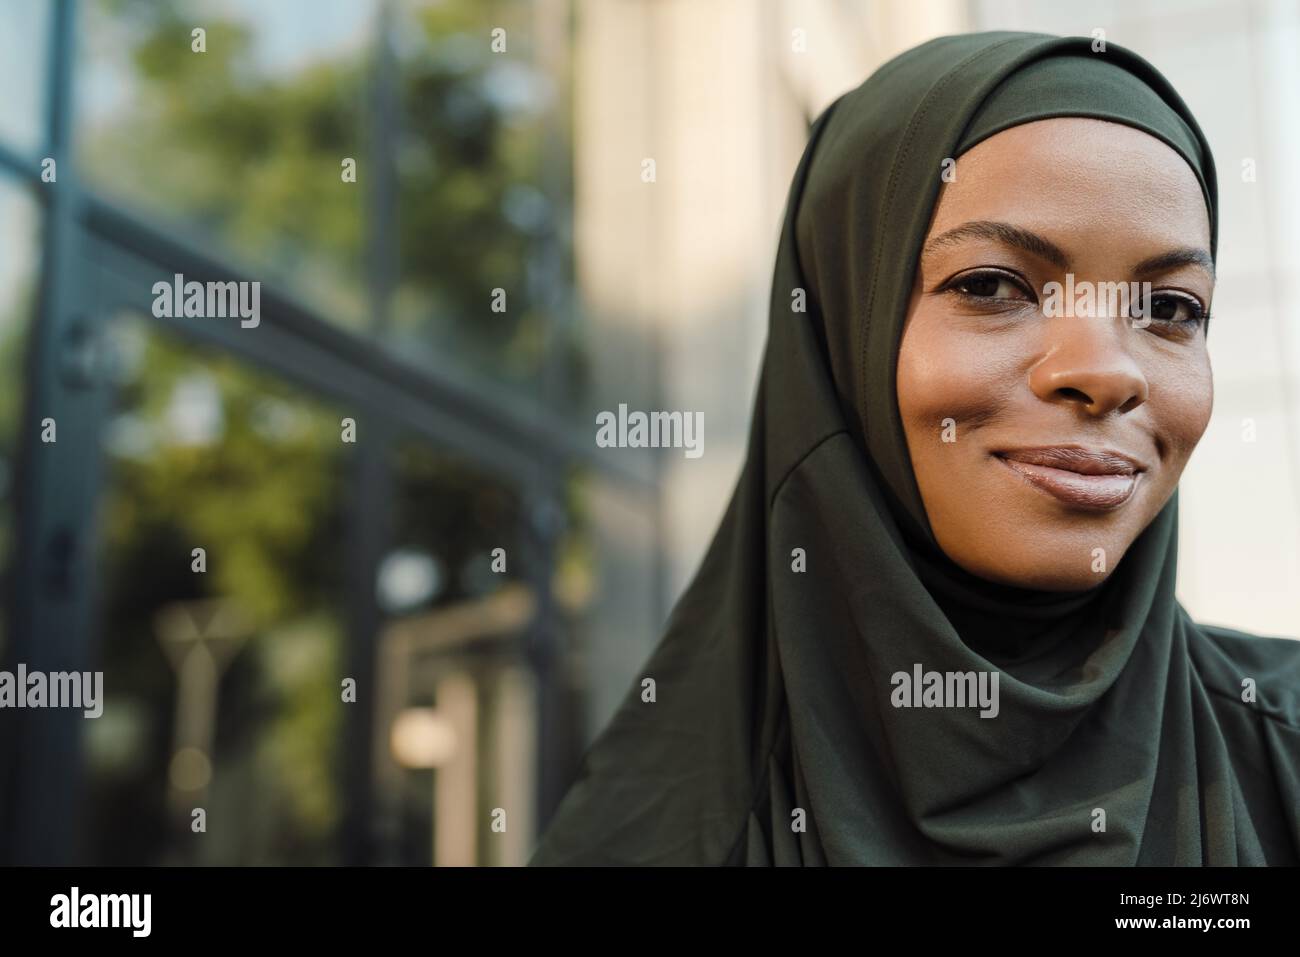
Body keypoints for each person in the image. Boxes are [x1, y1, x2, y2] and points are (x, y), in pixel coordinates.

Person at [529, 31, 1300, 865]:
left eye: (1171, 308)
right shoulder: (655, 839)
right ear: (839, 331)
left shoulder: (1281, 746)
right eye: (992, 286)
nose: (1106, 373)